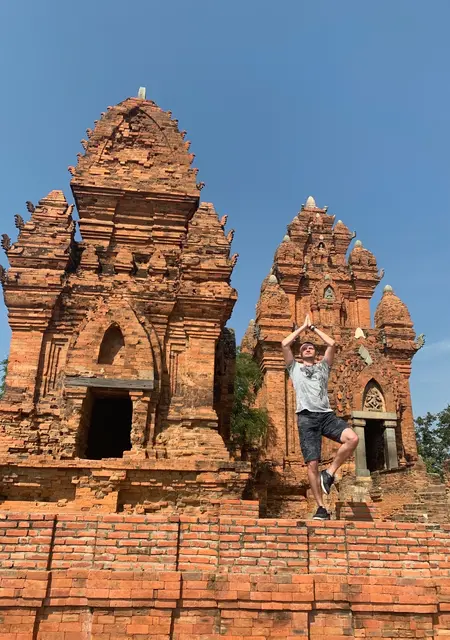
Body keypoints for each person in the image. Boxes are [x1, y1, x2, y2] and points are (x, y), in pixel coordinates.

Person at [281, 314, 359, 520]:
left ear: (316, 353)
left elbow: (332, 343)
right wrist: (302, 328)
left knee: (353, 438)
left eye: (311, 348)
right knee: (312, 464)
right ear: (300, 354)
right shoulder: (295, 368)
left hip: (326, 416)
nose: (308, 349)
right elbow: (284, 344)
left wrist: (313, 328)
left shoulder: (323, 367)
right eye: (304, 348)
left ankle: (330, 473)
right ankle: (321, 507)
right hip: (306, 418)